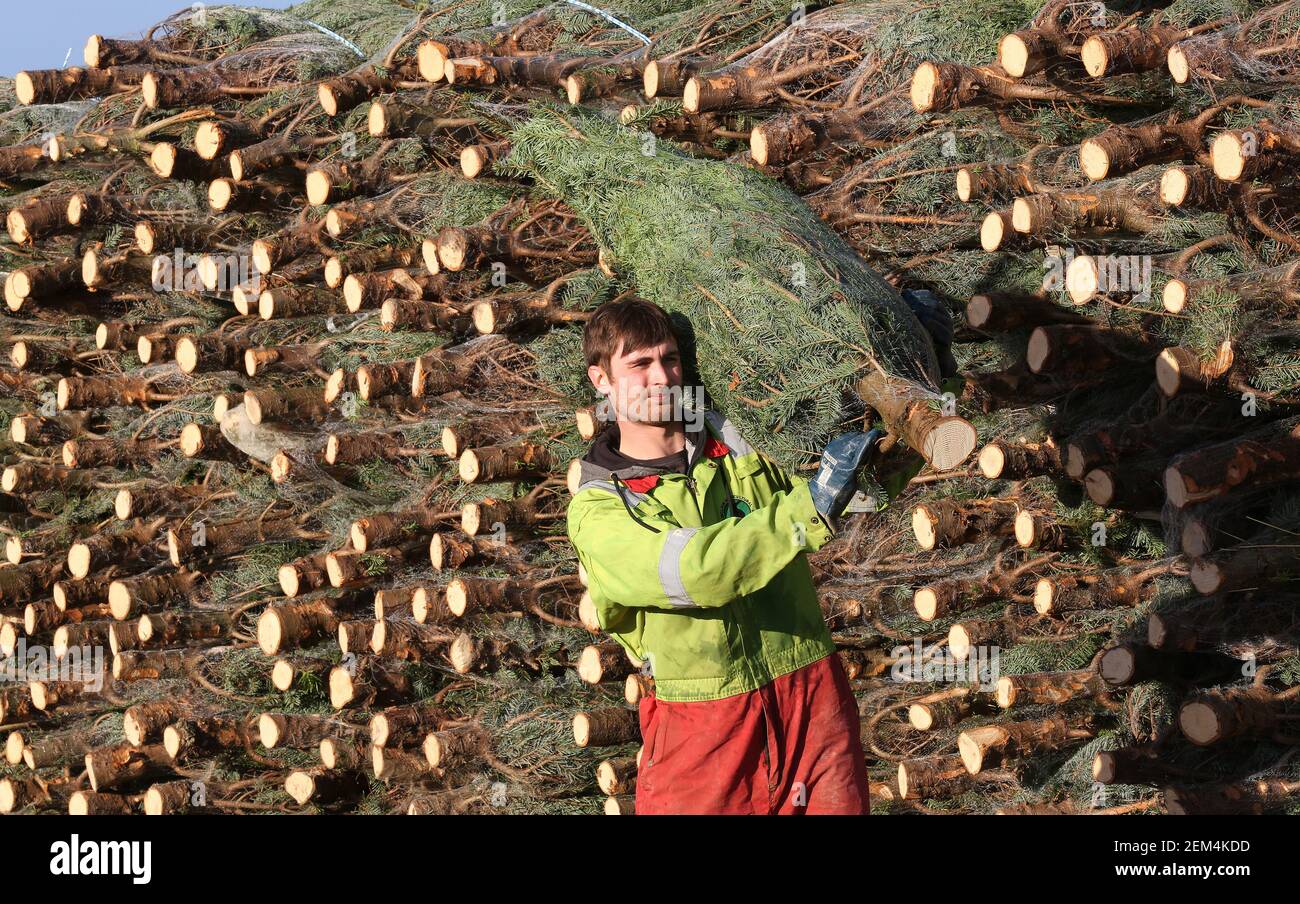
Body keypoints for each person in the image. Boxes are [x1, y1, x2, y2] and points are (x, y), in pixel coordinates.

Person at [566, 295, 950, 814]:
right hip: (705, 730)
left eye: (670, 358)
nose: (662, 377)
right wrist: (809, 504)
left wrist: (929, 390)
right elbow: (698, 571)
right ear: (601, 381)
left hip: (811, 699)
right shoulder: (601, 507)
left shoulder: (739, 449)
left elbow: (855, 493)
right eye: (639, 364)